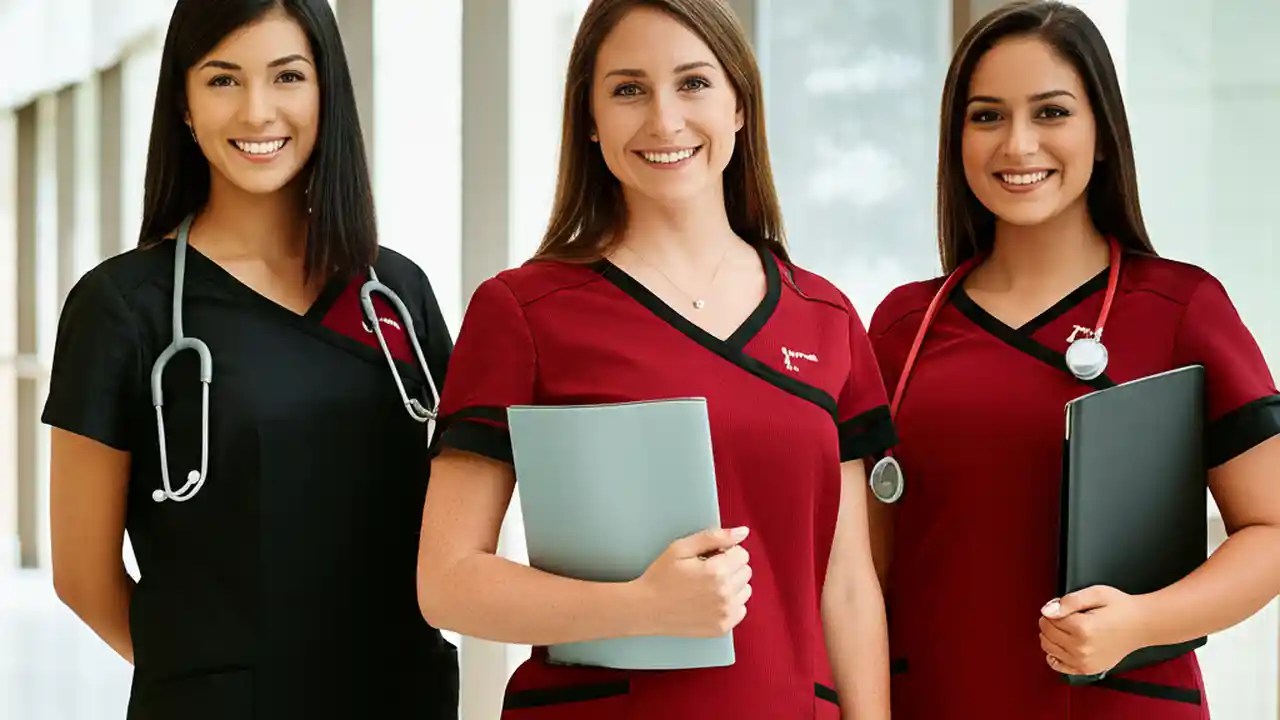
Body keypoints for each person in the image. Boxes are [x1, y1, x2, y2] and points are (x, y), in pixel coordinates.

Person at [415, 0, 895, 717]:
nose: (664, 120)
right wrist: (639, 605)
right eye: (628, 89)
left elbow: (848, 586)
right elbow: (447, 581)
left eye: (694, 83)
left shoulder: (825, 319)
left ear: (740, 103)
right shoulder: (526, 312)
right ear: (589, 118)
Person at [42, 1, 457, 718]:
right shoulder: (122, 308)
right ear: (184, 101)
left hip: (400, 695)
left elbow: (461, 522)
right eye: (224, 80)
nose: (259, 111)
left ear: (326, 91)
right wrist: (205, 677)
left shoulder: (395, 296)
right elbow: (83, 577)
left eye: (288, 76)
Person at [866, 2, 1280, 719]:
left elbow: (1272, 530)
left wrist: (1140, 624)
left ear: (1102, 137)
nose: (1017, 145)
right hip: (935, 697)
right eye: (987, 116)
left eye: (1051, 113)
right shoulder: (902, 327)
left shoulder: (1181, 309)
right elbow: (861, 573)